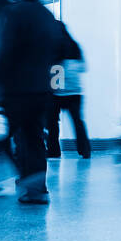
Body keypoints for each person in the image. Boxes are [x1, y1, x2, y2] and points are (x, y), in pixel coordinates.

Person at [0, 0, 60, 204]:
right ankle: (37, 189)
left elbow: (3, 53)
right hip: (41, 90)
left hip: (16, 90)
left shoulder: (15, 13)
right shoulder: (47, 16)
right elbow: (57, 52)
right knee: (34, 138)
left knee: (1, 136)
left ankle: (25, 180)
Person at [48, 22, 91, 160]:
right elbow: (83, 67)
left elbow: (50, 70)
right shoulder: (75, 46)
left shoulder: (53, 47)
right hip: (75, 92)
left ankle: (54, 151)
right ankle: (84, 149)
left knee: (52, 123)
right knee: (78, 122)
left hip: (57, 92)